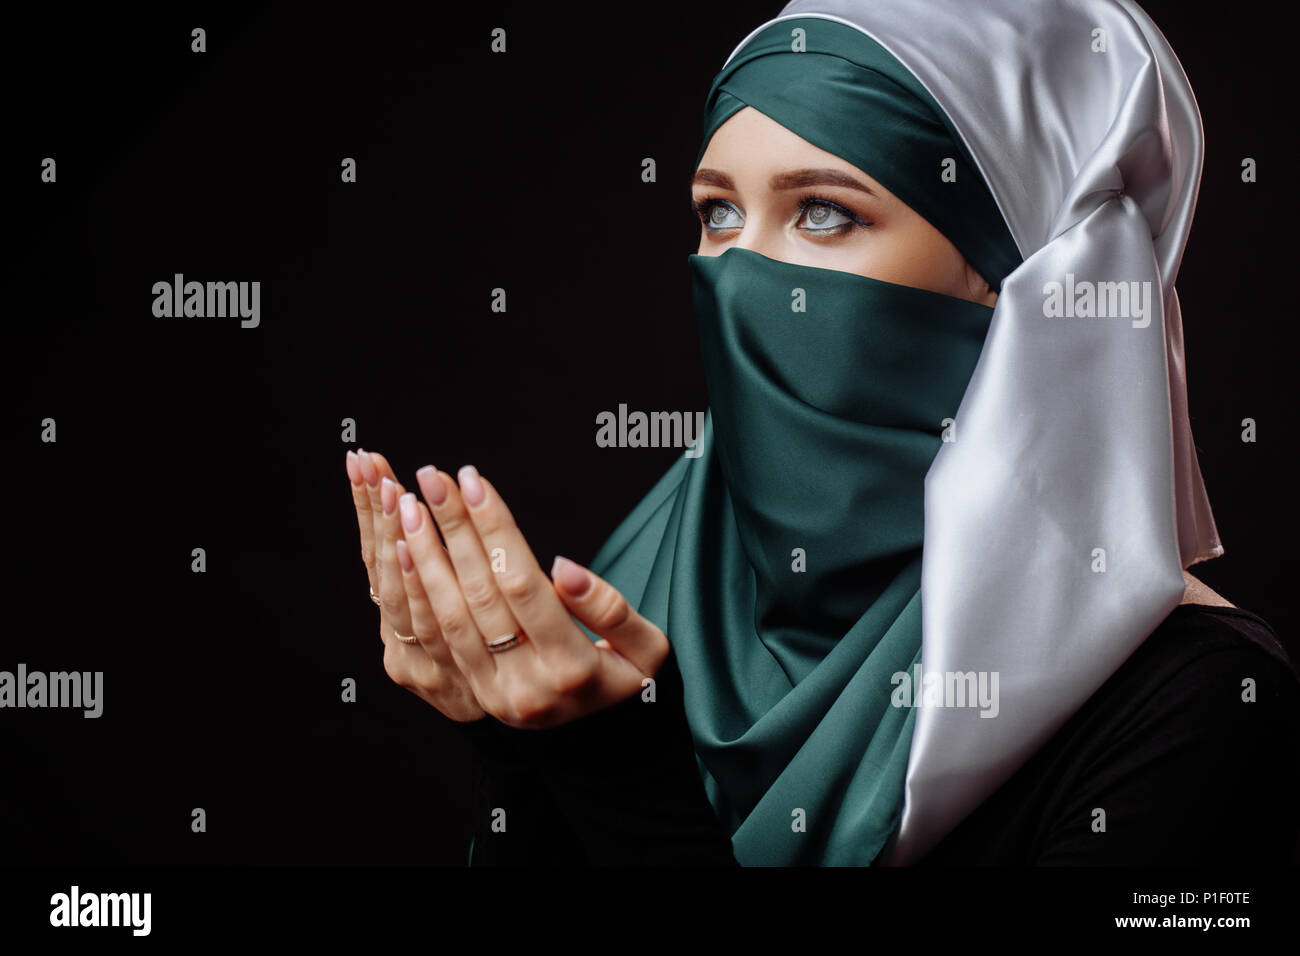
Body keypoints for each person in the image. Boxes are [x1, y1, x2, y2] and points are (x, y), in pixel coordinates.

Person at [343, 0, 1300, 865]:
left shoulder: (1201, 709)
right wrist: (515, 747)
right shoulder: (647, 601)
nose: (742, 277)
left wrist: (619, 781)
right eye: (718, 214)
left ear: (1016, 279)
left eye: (824, 213)